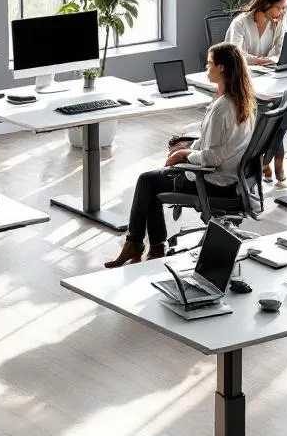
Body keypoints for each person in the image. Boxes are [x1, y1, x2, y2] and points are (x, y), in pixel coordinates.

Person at [104, 42, 256, 268]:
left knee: (147, 181)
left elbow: (213, 157)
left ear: (222, 68)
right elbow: (218, 144)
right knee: (156, 180)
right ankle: (154, 247)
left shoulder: (222, 107)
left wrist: (185, 154)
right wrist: (188, 148)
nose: (207, 67)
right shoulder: (244, 101)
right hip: (234, 179)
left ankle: (136, 243)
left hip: (212, 181)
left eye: (210, 63)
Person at [225, 0, 287, 184]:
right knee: (274, 114)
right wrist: (257, 60)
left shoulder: (279, 22)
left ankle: (270, 162)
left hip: (270, 79)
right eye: (279, 8)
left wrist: (270, 60)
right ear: (265, 3)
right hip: (244, 81)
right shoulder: (240, 23)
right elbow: (234, 53)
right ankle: (268, 162)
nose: (281, 13)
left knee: (283, 113)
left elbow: (280, 50)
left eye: (284, 8)